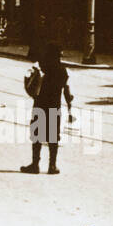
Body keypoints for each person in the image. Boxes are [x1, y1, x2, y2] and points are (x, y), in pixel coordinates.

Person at [21, 42, 73, 175]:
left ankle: (35, 165)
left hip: (40, 104)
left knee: (36, 135)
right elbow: (67, 90)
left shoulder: (42, 68)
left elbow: (30, 86)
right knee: (53, 136)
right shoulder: (62, 70)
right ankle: (52, 166)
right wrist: (69, 105)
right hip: (54, 105)